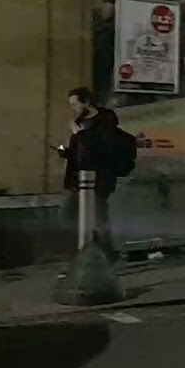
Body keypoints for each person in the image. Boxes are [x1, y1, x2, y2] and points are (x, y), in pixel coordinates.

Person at [59, 87, 121, 261]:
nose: (74, 108)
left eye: (75, 104)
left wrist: (79, 133)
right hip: (77, 177)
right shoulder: (79, 120)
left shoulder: (106, 119)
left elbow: (102, 148)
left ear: (86, 102)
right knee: (67, 214)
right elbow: (78, 148)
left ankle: (108, 255)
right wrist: (66, 151)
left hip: (99, 177)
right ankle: (83, 249)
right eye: (71, 105)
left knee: (99, 218)